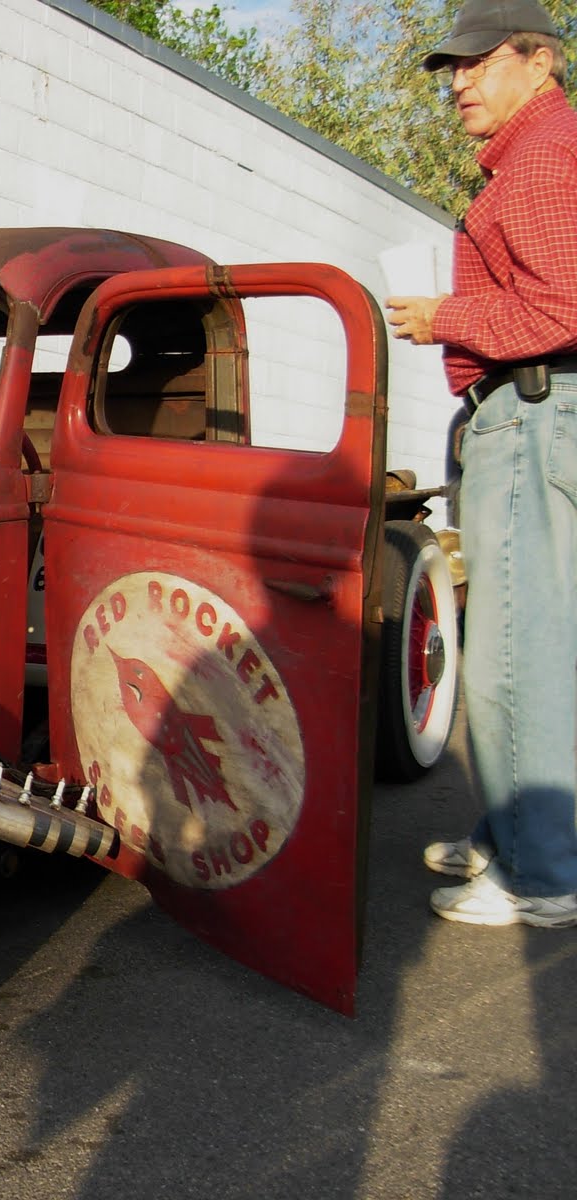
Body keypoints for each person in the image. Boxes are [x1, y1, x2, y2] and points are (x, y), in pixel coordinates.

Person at [385, 0, 577, 927]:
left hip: (536, 411)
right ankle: (520, 837)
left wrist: (444, 318)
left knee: (515, 653)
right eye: (450, 67)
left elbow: (566, 305)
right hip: (529, 412)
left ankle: (543, 877)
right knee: (533, 642)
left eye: (476, 62)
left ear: (538, 60)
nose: (457, 81)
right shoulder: (537, 153)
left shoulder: (541, 155)